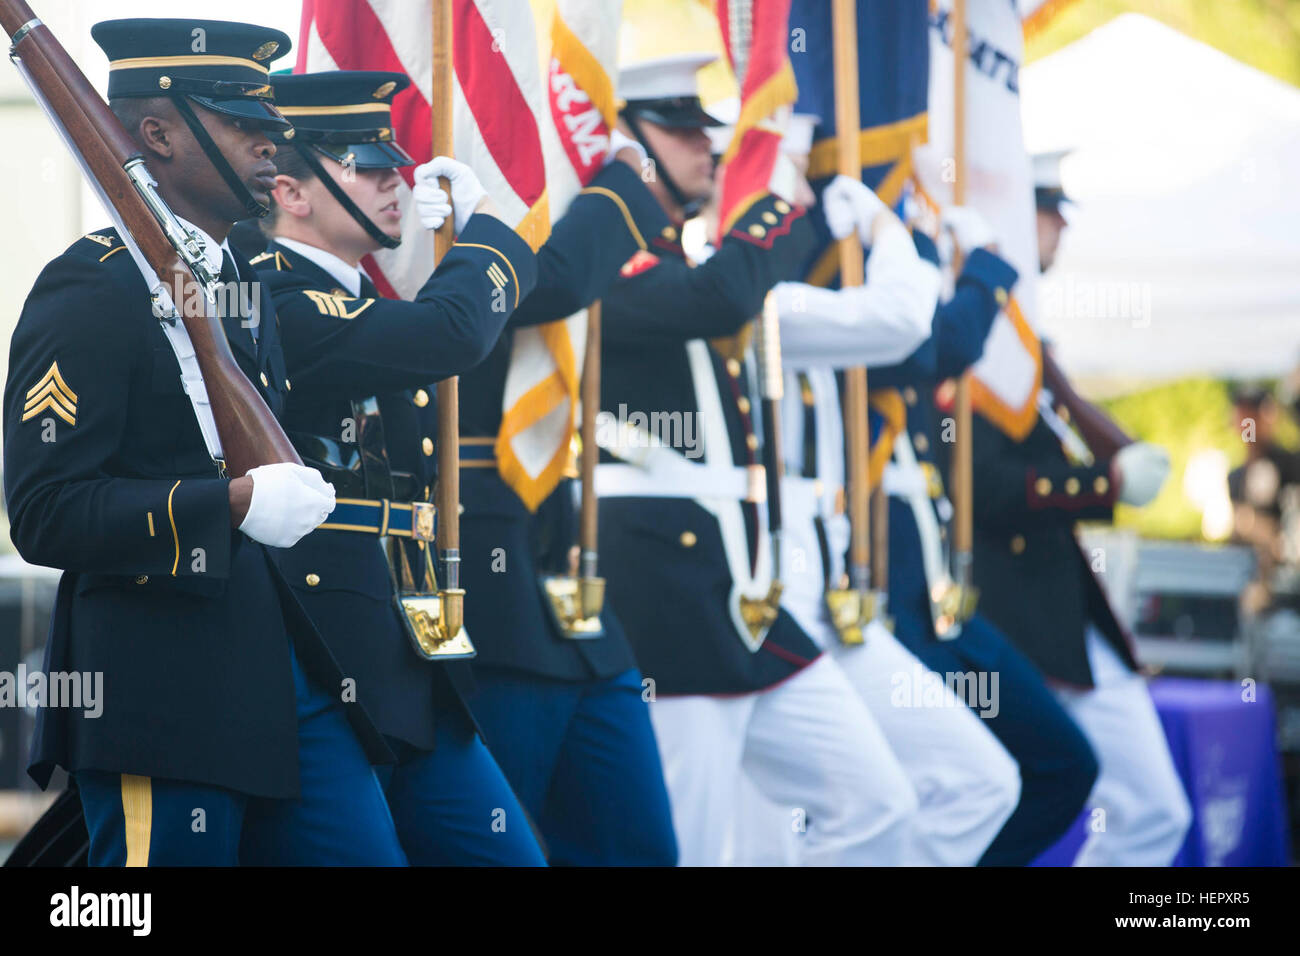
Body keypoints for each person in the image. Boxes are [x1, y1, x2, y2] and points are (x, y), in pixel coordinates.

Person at [3, 19, 405, 866]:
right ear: (158, 135)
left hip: (281, 675)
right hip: (162, 692)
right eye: (240, 122)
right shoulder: (92, 284)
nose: (273, 142)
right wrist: (227, 503)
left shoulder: (238, 280)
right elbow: (45, 512)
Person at [597, 12, 922, 866]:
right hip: (665, 592)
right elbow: (719, 300)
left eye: (711, 130)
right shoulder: (607, 266)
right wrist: (774, 190)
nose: (707, 148)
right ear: (626, 144)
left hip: (741, 596)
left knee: (877, 805)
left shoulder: (690, 265)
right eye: (679, 130)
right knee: (687, 847)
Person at [252, 69, 546, 865]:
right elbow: (451, 333)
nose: (397, 180)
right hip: (321, 654)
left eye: (395, 163)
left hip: (406, 651)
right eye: (367, 166)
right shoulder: (275, 297)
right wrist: (487, 228)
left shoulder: (353, 299)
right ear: (292, 190)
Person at [966, 152, 1193, 865]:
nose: (1060, 227)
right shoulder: (971, 336)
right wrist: (1104, 486)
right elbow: (986, 485)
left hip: (1061, 612)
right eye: (1046, 210)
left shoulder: (1024, 341)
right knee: (974, 801)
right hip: (1001, 610)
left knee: (1154, 809)